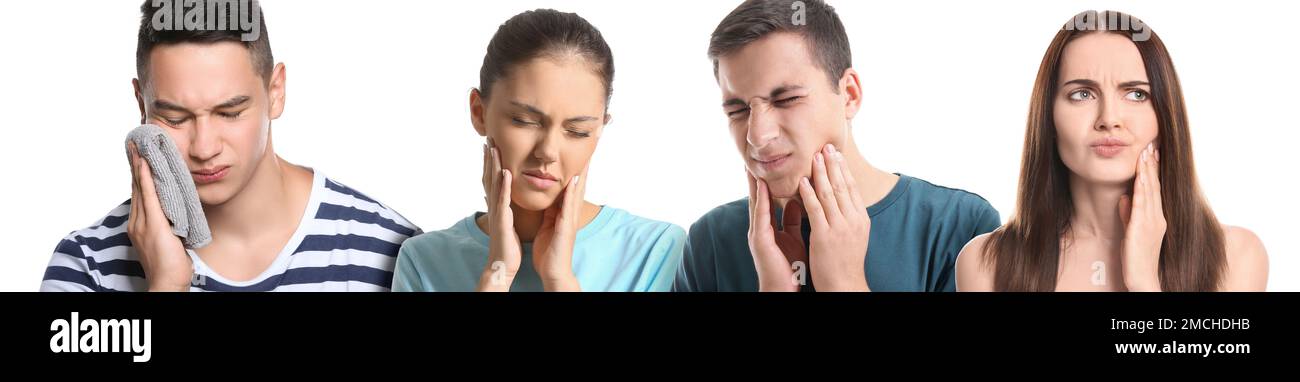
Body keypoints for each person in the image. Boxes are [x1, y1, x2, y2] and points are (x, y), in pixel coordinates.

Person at [41, 0, 420, 292]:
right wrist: (166, 285)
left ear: (276, 92)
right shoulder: (85, 266)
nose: (204, 148)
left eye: (230, 112)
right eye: (175, 118)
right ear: (141, 104)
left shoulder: (396, 253)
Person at [674, 0, 1000, 292]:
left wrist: (844, 282)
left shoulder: (962, 228)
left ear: (850, 95)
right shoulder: (711, 242)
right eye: (738, 110)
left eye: (787, 99)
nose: (757, 136)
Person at [956, 10, 1268, 292]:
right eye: (1082, 94)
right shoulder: (985, 265)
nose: (1109, 119)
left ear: (1166, 117)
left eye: (1135, 94)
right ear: (1048, 117)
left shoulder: (1237, 256)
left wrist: (1144, 280)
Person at [392, 9, 685, 292]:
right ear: (479, 112)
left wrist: (560, 280)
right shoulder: (425, 261)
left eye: (577, 131)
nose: (548, 151)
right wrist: (498, 272)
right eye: (524, 121)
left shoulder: (655, 251)